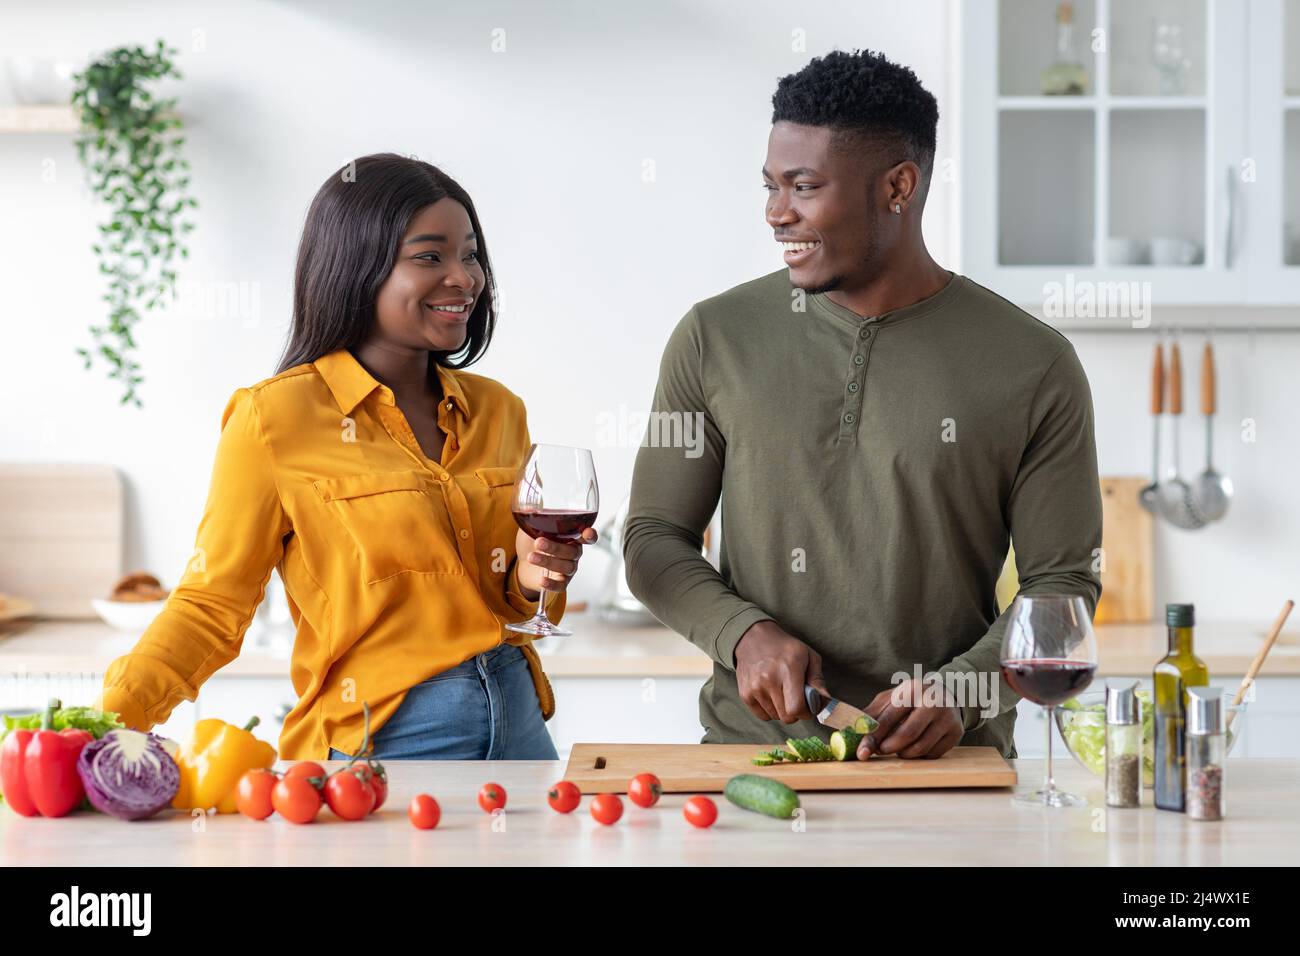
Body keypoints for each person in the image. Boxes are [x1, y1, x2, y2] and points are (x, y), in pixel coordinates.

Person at [623, 50, 1102, 759]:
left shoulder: (1034, 363)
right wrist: (743, 635)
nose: (776, 214)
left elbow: (1062, 585)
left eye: (804, 187)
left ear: (898, 187)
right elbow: (653, 539)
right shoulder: (712, 337)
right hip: (752, 758)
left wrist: (964, 689)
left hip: (952, 765)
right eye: (771, 187)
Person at [96, 154, 595, 760]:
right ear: (357, 268)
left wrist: (534, 576)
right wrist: (101, 725)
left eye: (470, 255)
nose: (464, 278)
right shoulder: (274, 418)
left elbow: (510, 600)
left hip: (521, 729)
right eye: (430, 256)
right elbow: (211, 603)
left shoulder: (500, 411)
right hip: (385, 743)